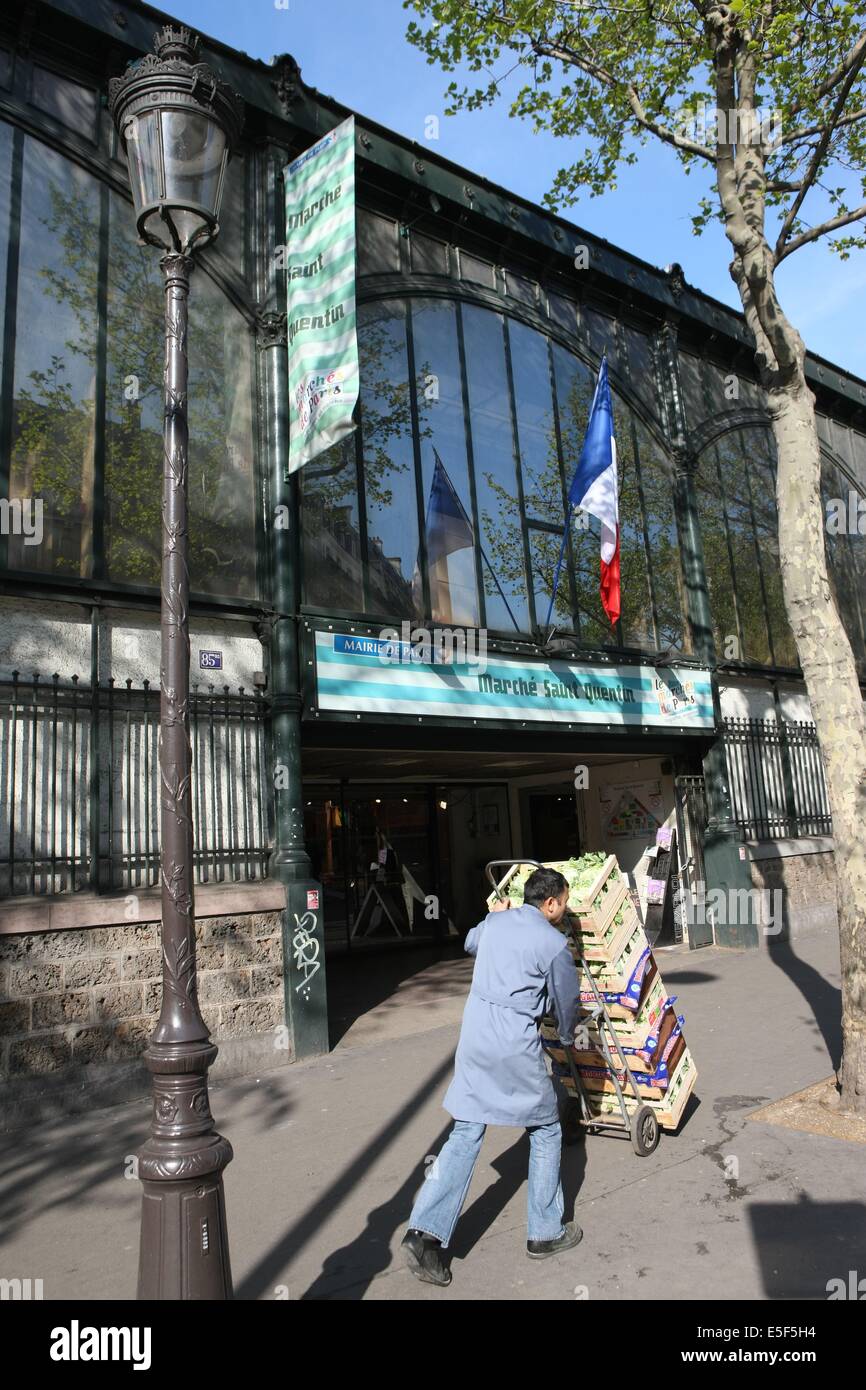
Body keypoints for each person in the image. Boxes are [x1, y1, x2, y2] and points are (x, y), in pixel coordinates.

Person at [401, 866, 583, 1287]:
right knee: (545, 1128)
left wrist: (492, 916)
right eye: (565, 903)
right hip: (514, 1044)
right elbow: (566, 1001)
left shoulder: (498, 921)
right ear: (551, 902)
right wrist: (569, 1036)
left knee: (466, 1131)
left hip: (475, 1036)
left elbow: (469, 942)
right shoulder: (554, 943)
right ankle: (545, 1231)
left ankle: (423, 1233)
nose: (565, 910)